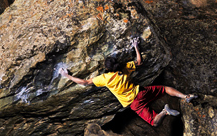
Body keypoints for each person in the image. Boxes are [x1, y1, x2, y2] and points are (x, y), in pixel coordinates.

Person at [59, 36, 195, 127]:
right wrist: (135, 46)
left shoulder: (105, 79)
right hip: (141, 93)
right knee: (164, 89)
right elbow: (139, 62)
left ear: (107, 69)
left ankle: (164, 112)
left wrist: (67, 76)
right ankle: (185, 96)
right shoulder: (124, 68)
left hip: (134, 103)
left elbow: (84, 82)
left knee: (154, 123)